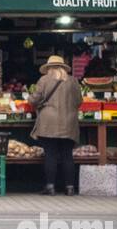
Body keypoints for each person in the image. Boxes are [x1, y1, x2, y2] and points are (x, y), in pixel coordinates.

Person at [29, 53, 83, 196]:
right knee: (67, 155)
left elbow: (34, 100)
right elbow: (79, 101)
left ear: (48, 68)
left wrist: (31, 99)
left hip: (49, 122)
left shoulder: (44, 80)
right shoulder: (73, 81)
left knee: (50, 155)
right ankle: (70, 187)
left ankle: (50, 187)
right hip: (69, 121)